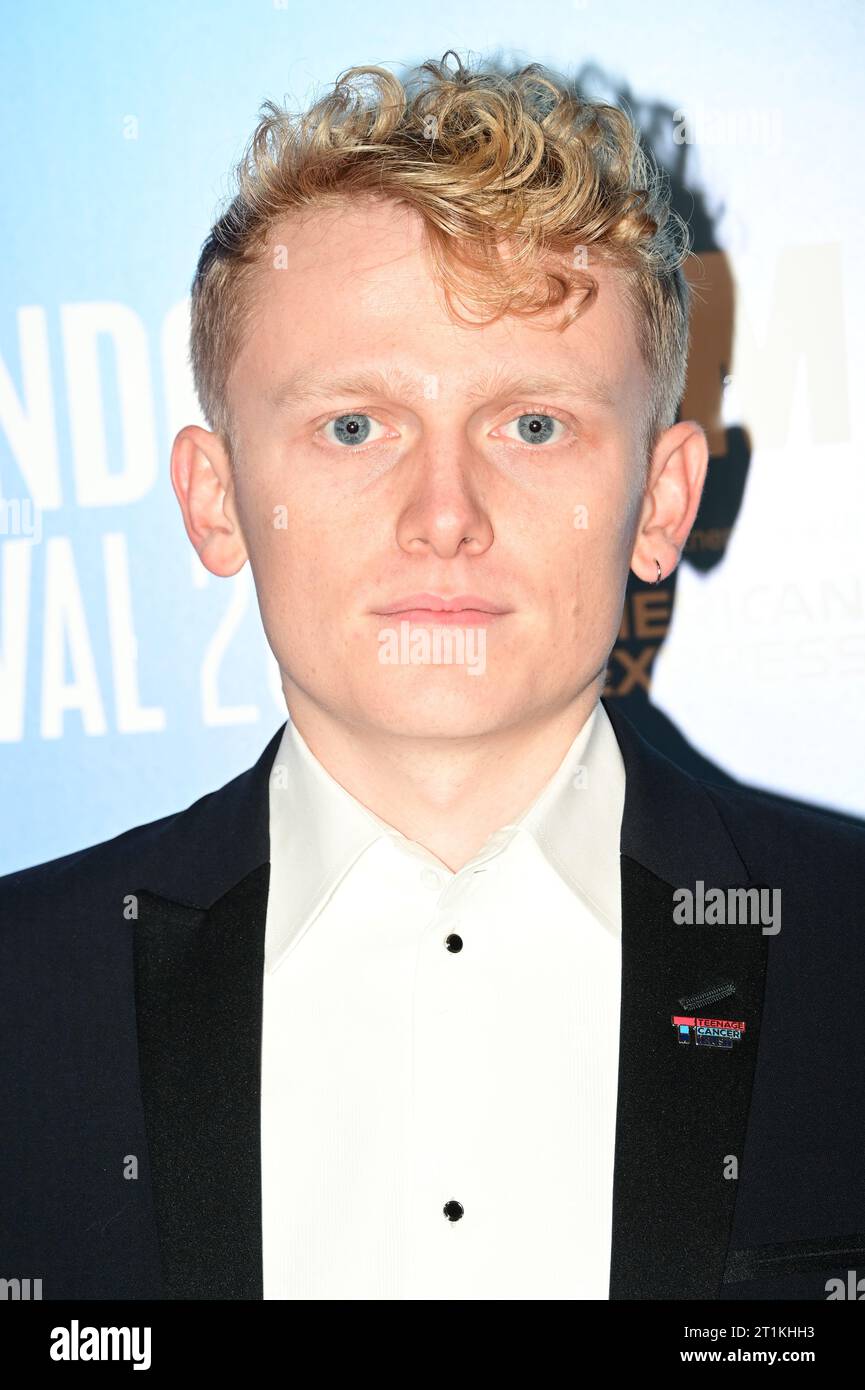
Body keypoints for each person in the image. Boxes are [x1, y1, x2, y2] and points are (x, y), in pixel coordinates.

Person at [2, 51, 864, 1303]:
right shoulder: (23, 995)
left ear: (662, 500)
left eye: (532, 424)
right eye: (353, 425)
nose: (444, 515)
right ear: (215, 497)